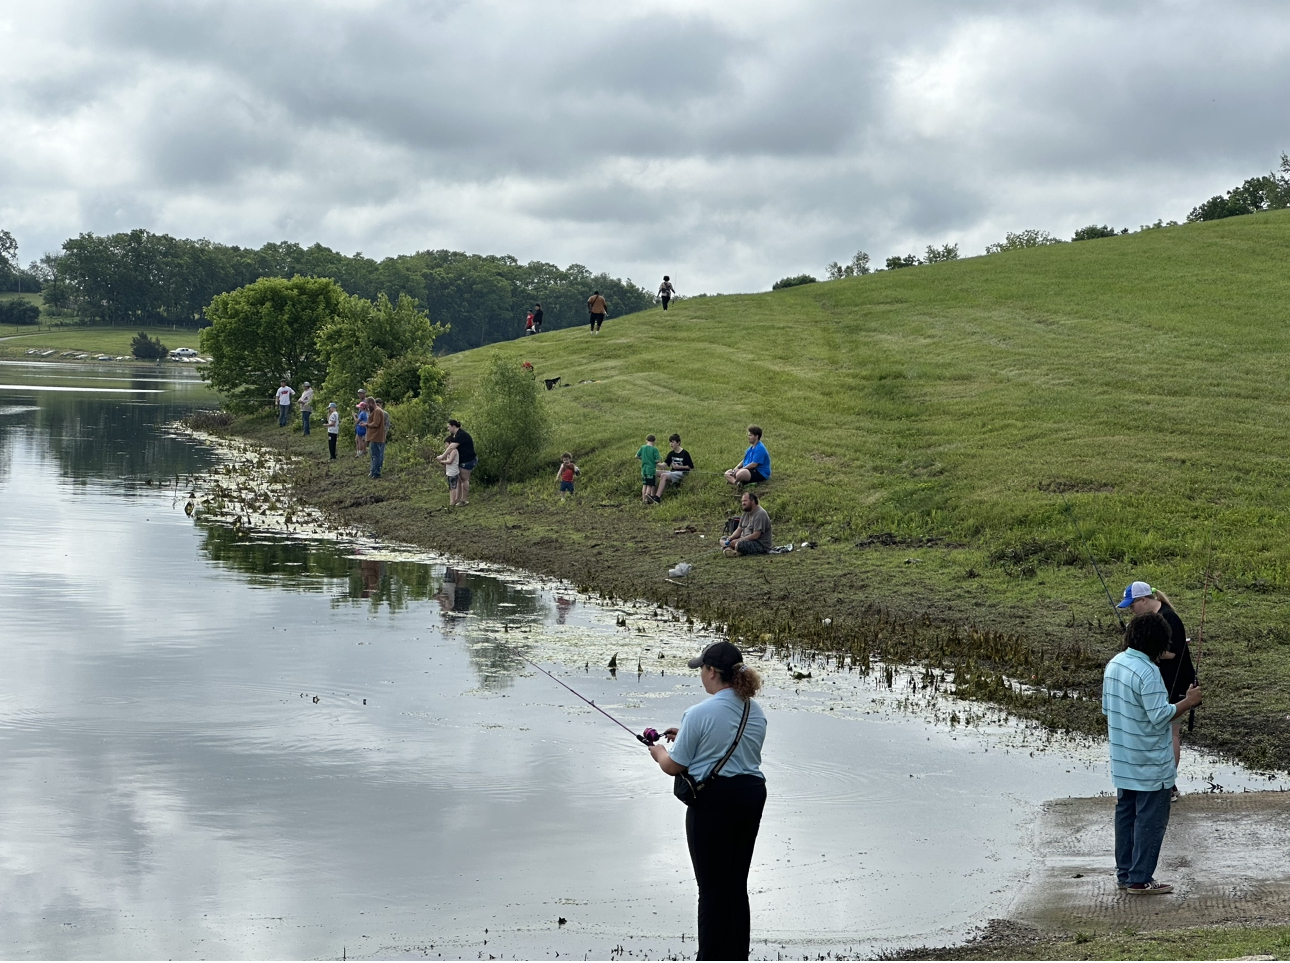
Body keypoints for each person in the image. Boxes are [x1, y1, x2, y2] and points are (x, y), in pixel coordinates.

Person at [648, 640, 767, 961]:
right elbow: (731, 747)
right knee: (735, 885)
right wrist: (685, 733)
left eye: (702, 669)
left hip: (715, 802)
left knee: (712, 888)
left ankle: (710, 957)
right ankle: (736, 955)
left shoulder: (698, 713)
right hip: (751, 795)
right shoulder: (754, 710)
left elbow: (674, 766)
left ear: (712, 672)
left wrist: (659, 751)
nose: (700, 674)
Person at [1102, 611, 1203, 895]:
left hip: (1123, 762)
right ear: (1160, 643)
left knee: (1126, 816)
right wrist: (1188, 701)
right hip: (1151, 763)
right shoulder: (1148, 672)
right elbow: (1160, 717)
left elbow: (1107, 710)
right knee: (1150, 820)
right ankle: (1140, 879)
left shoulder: (1115, 664)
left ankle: (1126, 875)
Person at [1118, 580, 1198, 798]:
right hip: (1160, 681)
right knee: (1159, 731)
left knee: (1171, 732)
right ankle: (1159, 781)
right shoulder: (1152, 618)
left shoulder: (1169, 618)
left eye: (1132, 606)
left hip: (1176, 682)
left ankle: (1169, 784)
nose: (1131, 611)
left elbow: (1173, 652)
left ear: (1144, 600)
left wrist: (1140, 648)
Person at [721, 491, 772, 556]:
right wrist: (731, 538)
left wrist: (738, 540)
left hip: (759, 544)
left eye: (745, 501)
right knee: (723, 539)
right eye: (742, 501)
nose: (743, 503)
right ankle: (733, 550)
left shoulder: (760, 514)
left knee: (739, 544)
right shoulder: (746, 513)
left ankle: (731, 550)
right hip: (744, 539)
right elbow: (739, 530)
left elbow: (756, 535)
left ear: (752, 501)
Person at [654, 433, 694, 500]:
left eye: (673, 442)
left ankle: (657, 497)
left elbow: (691, 466)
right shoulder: (671, 453)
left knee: (664, 475)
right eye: (670, 442)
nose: (671, 444)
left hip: (681, 473)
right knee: (654, 472)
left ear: (678, 443)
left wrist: (679, 467)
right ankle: (652, 494)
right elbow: (663, 465)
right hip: (672, 472)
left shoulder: (685, 453)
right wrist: (654, 463)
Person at [446, 420, 477, 505]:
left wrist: (443, 456)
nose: (448, 428)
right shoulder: (456, 435)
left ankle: (463, 500)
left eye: (448, 426)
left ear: (453, 426)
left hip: (468, 460)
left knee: (464, 479)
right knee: (460, 480)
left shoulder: (461, 434)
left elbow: (451, 447)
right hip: (463, 460)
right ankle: (457, 498)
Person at [366, 397, 387, 479]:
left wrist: (367, 425)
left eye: (368, 405)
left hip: (376, 436)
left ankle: (376, 473)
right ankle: (374, 472)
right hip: (374, 436)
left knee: (376, 455)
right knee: (374, 455)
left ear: (371, 403)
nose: (367, 407)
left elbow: (376, 424)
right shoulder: (375, 411)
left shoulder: (377, 411)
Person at [636, 434, 661, 504]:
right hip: (651, 469)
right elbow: (658, 460)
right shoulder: (654, 449)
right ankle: (647, 499)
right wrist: (653, 461)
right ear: (654, 441)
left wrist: (643, 458)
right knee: (649, 485)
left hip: (644, 469)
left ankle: (643, 500)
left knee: (644, 485)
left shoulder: (642, 447)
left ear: (646, 440)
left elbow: (637, 456)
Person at [436, 439, 461, 506]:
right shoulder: (448, 452)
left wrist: (441, 461)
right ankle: (453, 501)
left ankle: (452, 503)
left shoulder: (454, 451)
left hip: (453, 472)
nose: (445, 445)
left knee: (453, 488)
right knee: (451, 487)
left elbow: (450, 461)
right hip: (450, 472)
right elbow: (447, 462)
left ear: (450, 443)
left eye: (446, 443)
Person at [354, 389, 369, 456]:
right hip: (361, 423)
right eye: (358, 394)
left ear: (364, 394)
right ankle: (361, 452)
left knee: (360, 439)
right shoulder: (362, 402)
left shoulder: (365, 402)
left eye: (361, 393)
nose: (359, 395)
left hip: (362, 425)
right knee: (359, 439)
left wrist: (354, 416)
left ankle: (362, 452)